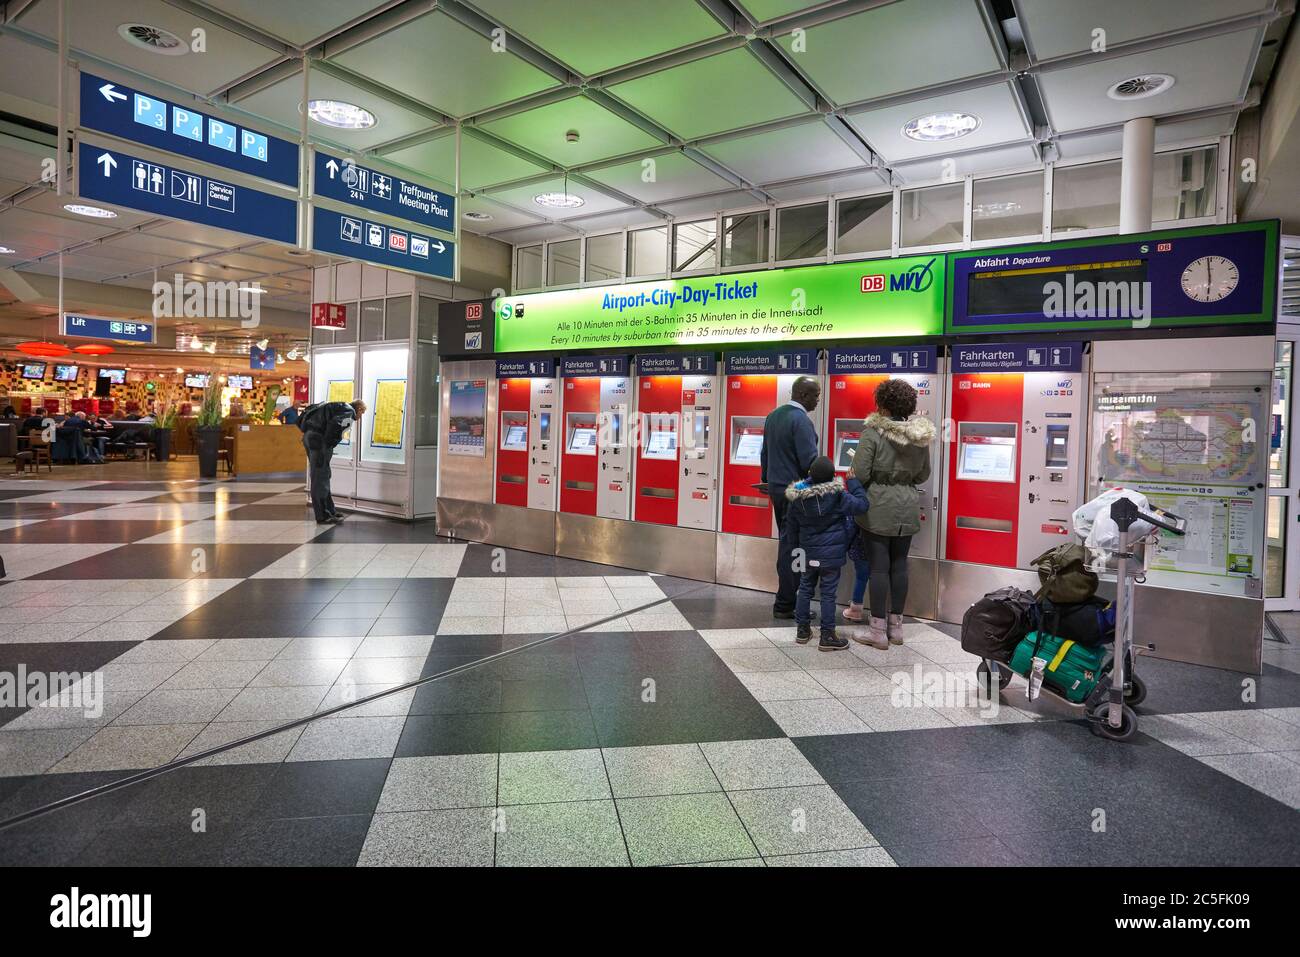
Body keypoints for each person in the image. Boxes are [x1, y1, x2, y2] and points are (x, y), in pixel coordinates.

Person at [850, 379, 935, 650]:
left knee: (878, 567)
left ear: (882, 405)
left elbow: (860, 473)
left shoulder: (873, 432)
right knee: (899, 565)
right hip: (907, 505)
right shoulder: (919, 436)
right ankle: (896, 629)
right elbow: (923, 474)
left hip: (878, 505)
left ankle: (877, 631)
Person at [783, 455, 869, 651]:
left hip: (806, 551)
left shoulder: (797, 496)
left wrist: (796, 550)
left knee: (805, 588)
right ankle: (827, 635)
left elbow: (791, 526)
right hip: (831, 554)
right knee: (828, 594)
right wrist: (853, 483)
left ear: (809, 474)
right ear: (833, 476)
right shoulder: (838, 495)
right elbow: (862, 505)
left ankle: (802, 630)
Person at [760, 376, 821, 619]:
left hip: (777, 488)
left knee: (787, 541)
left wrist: (767, 479)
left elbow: (765, 453)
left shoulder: (773, 416)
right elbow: (809, 462)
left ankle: (787, 600)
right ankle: (786, 603)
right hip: (796, 493)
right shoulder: (801, 420)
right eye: (816, 395)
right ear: (803, 395)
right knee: (793, 546)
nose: (818, 400)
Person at [300, 399, 366, 524]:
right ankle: (323, 515)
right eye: (361, 414)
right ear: (359, 409)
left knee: (322, 476)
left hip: (310, 438)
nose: (359, 418)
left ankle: (330, 511)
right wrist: (328, 444)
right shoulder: (349, 411)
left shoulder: (338, 406)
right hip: (319, 441)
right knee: (320, 478)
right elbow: (336, 424)